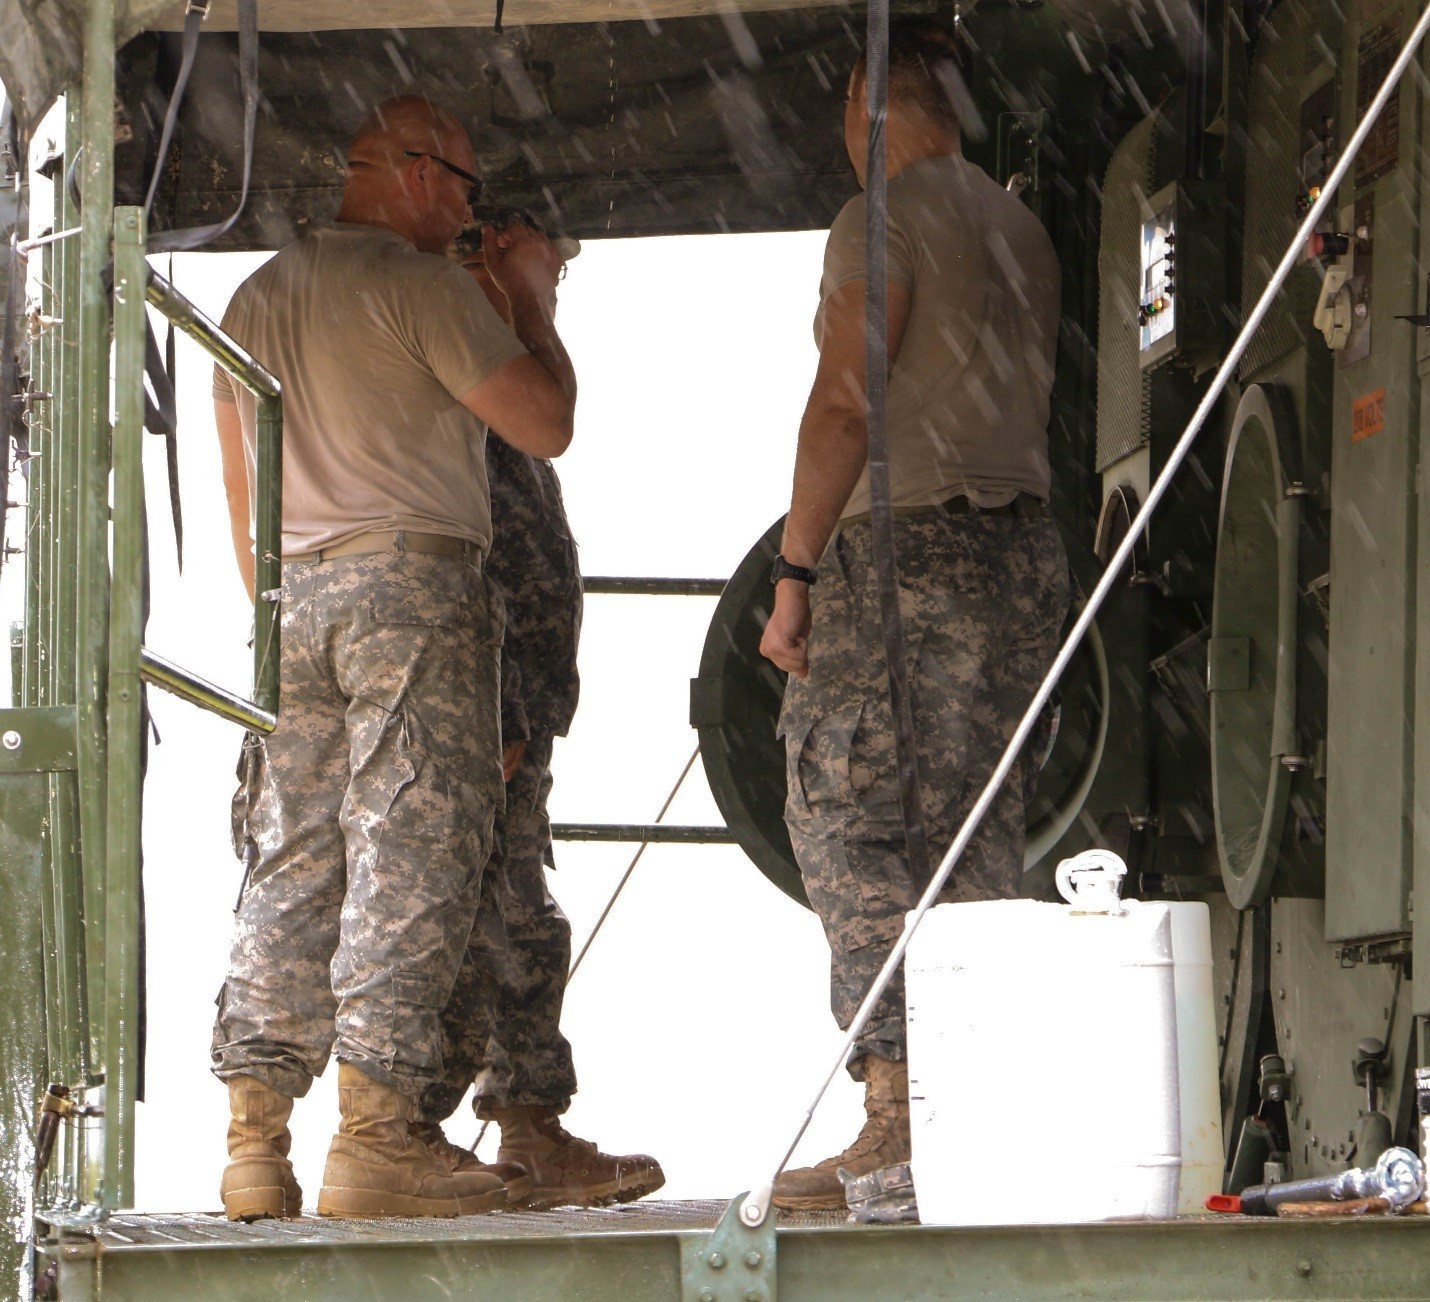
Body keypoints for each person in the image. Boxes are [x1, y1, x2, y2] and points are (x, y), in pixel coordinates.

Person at [210, 95, 576, 1221]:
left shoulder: (258, 295)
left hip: (294, 597)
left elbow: (241, 494)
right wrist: (525, 302)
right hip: (410, 588)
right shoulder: (417, 288)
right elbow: (544, 423)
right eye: (463, 191)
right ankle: (377, 1134)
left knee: (294, 861)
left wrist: (287, 607)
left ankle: (254, 1142)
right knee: (410, 855)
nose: (466, 215)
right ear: (417, 175)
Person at [758, 22, 1070, 1210]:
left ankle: (894, 1112)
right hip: (1017, 553)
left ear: (867, 107)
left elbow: (846, 404)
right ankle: (970, 1111)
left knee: (847, 809)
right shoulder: (1018, 223)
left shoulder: (877, 220)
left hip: (908, 550)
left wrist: (794, 573)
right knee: (975, 828)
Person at [413, 224, 666, 1209]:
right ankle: (498, 1132)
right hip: (482, 699)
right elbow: (480, 553)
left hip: (507, 698)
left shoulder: (475, 359)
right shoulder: (468, 360)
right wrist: (504, 710)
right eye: (545, 255)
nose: (556, 275)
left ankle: (504, 1133)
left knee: (499, 915)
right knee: (498, 919)